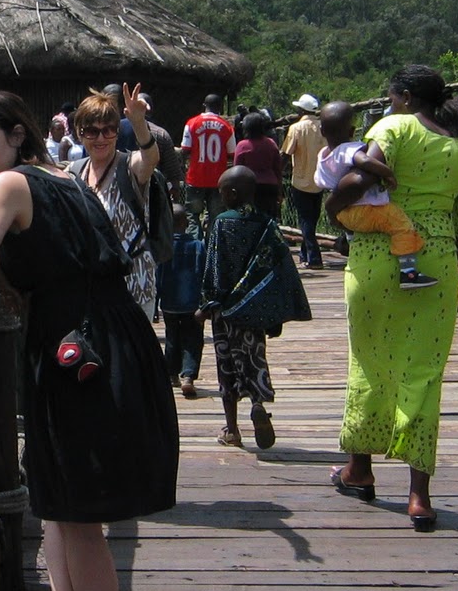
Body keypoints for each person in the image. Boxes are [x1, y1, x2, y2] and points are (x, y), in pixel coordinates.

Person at [0, 90, 179, 591]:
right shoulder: (69, 181)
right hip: (117, 338)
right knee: (76, 514)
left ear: (17, 136)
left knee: (77, 518)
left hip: (73, 352)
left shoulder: (8, 186)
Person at [325, 65, 458, 533]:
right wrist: (445, 253)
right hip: (435, 260)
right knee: (423, 372)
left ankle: (359, 469)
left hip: (378, 258)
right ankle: (419, 496)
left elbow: (358, 180)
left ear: (402, 96)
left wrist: (334, 210)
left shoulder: (393, 127)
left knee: (369, 360)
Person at [200, 166, 310, 449]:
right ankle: (258, 403)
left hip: (225, 313)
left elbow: (214, 267)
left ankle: (232, 429)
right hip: (255, 312)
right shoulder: (267, 224)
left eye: (222, 191)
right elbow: (280, 269)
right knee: (254, 358)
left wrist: (207, 304)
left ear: (233, 194)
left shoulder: (222, 223)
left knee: (226, 366)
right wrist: (277, 314)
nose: (221, 196)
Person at [314, 101, 437, 290]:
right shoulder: (348, 148)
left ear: (322, 131)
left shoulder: (323, 155)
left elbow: (320, 182)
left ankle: (349, 241)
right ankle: (409, 272)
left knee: (355, 229)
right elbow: (363, 161)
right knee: (402, 227)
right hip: (368, 208)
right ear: (352, 130)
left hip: (344, 213)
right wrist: (387, 173)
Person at [69, 86, 161, 319]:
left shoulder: (129, 167)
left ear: (117, 132)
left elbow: (150, 159)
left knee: (132, 356)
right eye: (92, 131)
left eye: (108, 130)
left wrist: (139, 123)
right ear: (80, 133)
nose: (101, 138)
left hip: (133, 287)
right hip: (90, 288)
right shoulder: (74, 172)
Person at [158, 203, 204, 398]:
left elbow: (158, 276)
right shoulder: (198, 246)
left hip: (169, 302)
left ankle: (171, 375)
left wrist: (156, 302)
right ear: (186, 223)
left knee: (171, 339)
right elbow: (202, 273)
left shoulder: (164, 248)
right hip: (191, 303)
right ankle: (188, 376)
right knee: (192, 339)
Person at [282, 93, 327, 269]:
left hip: (300, 180)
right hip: (318, 180)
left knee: (304, 219)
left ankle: (314, 257)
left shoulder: (296, 128)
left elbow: (287, 152)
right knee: (312, 219)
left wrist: (278, 172)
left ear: (301, 110)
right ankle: (304, 253)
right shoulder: (322, 127)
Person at [181, 93, 235, 228]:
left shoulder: (191, 123)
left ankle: (195, 246)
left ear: (204, 106)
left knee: (192, 216)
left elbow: (185, 148)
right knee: (216, 218)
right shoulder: (227, 127)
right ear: (220, 108)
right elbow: (232, 152)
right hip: (218, 180)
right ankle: (213, 247)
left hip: (195, 178)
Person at [232, 110, 283, 221]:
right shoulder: (271, 143)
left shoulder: (242, 145)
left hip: (250, 188)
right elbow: (277, 169)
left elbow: (237, 170)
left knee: (251, 220)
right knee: (269, 220)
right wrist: (279, 190)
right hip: (270, 187)